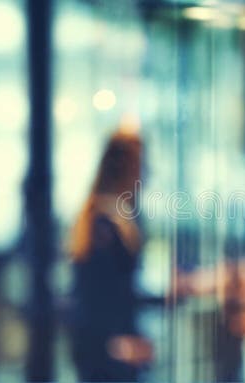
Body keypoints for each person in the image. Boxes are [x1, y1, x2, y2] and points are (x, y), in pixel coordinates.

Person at [67, 131, 151, 381]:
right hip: (108, 348)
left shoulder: (113, 216)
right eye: (140, 165)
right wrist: (115, 342)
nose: (145, 173)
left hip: (110, 343)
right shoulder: (103, 223)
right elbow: (96, 292)